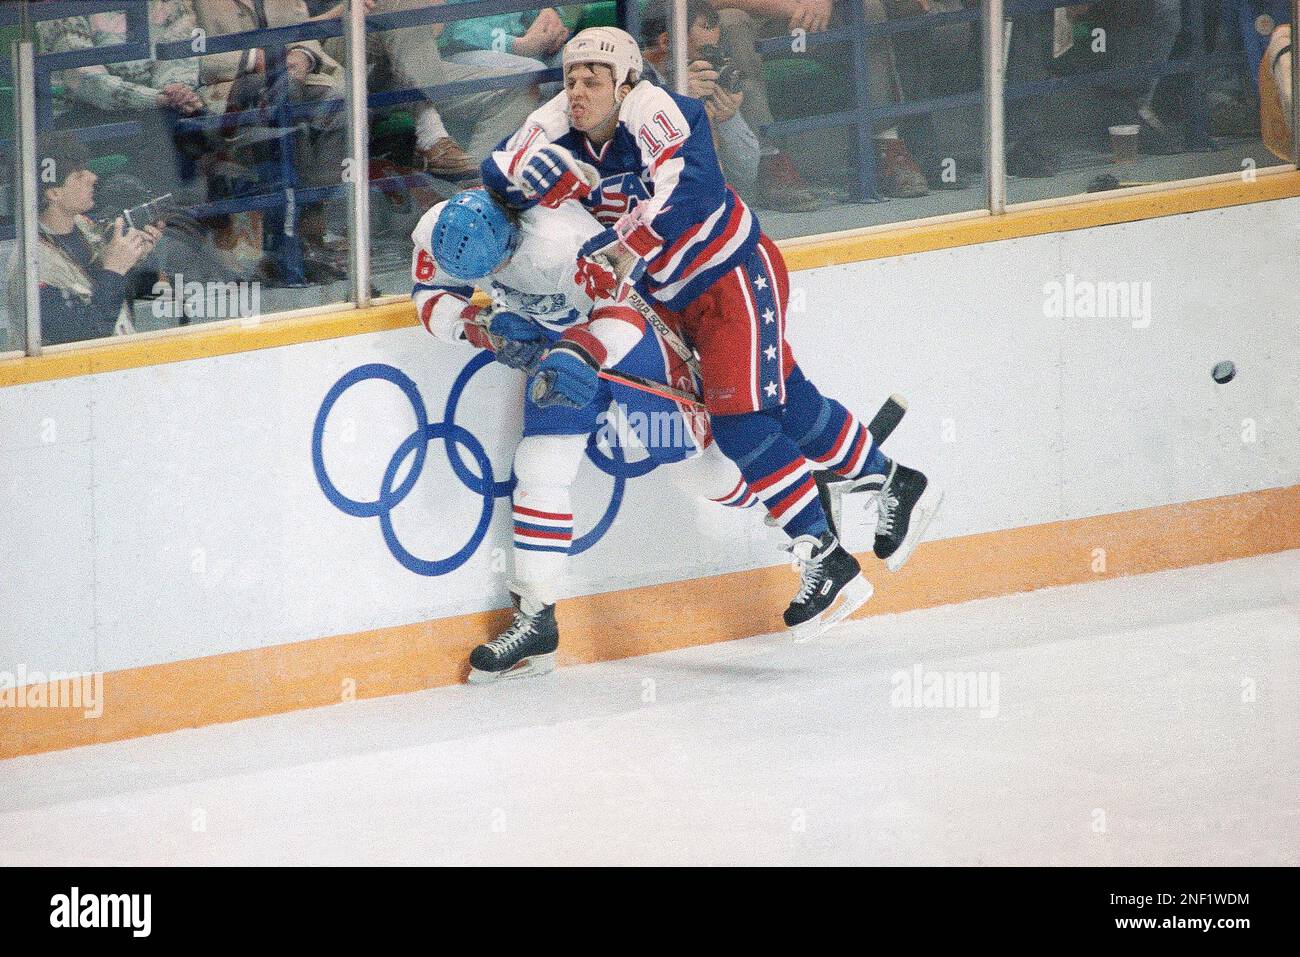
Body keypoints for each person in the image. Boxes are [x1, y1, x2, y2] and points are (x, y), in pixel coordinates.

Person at [483, 27, 942, 645]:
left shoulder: (656, 108)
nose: (579, 89)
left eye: (594, 79)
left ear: (625, 83)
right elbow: (496, 166)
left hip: (729, 280)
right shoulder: (561, 116)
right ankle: (892, 479)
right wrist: (515, 178)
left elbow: (693, 188)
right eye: (571, 77)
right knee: (788, 402)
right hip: (677, 303)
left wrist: (631, 243)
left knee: (740, 422)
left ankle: (823, 555)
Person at [411, 188, 760, 683]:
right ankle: (536, 621)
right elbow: (429, 297)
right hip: (556, 349)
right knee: (540, 466)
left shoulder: (559, 237)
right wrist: (479, 323)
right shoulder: (440, 228)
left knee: (697, 473)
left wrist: (586, 351)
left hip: (625, 344)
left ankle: (788, 497)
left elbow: (621, 309)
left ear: (512, 232)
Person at [4, 135, 162, 349]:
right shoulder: (32, 266)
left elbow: (139, 289)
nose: (93, 177)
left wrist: (136, 256)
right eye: (78, 176)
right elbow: (84, 335)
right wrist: (115, 270)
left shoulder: (87, 229)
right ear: (53, 193)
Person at [639, 0, 762, 196]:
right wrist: (676, 102)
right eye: (705, 53)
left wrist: (727, 119)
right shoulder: (628, 83)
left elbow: (746, 175)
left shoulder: (705, 81)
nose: (709, 63)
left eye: (715, 54)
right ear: (665, 42)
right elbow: (642, 176)